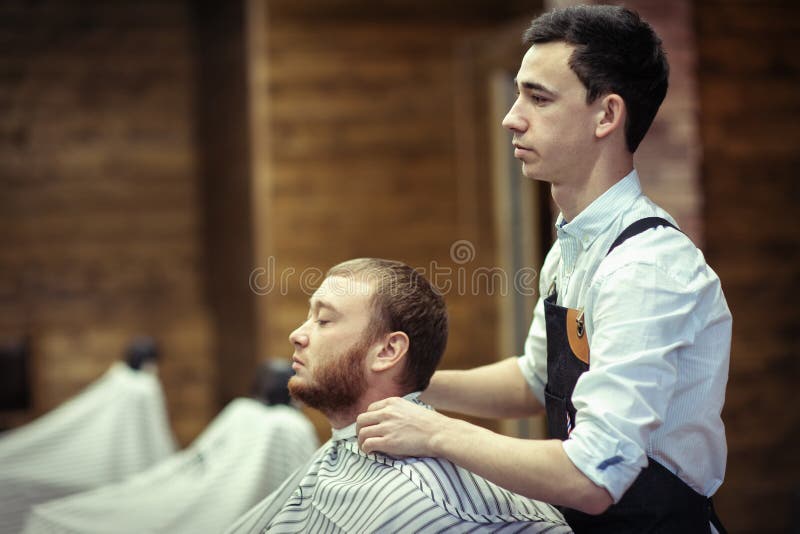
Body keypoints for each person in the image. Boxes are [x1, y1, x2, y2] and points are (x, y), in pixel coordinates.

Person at [356, 6, 731, 534]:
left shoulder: (647, 268)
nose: (512, 116)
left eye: (538, 97)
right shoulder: (573, 246)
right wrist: (405, 383)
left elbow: (595, 478)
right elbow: (534, 381)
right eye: (518, 94)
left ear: (606, 116)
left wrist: (434, 432)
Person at [225, 258, 572, 533]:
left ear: (388, 351)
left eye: (324, 321)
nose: (297, 335)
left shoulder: (433, 499)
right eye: (308, 317)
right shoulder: (347, 451)